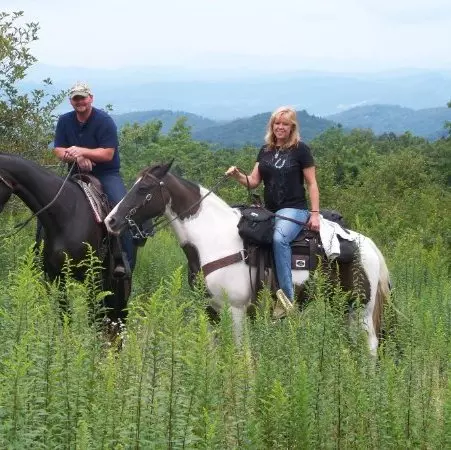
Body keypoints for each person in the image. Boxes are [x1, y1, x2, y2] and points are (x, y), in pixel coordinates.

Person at [226, 106, 320, 314]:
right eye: (277, 123)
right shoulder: (265, 150)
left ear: (292, 127)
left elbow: (312, 183)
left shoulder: (301, 150)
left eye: (285, 124)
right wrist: (237, 176)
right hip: (270, 210)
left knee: (279, 239)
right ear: (272, 126)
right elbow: (253, 182)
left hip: (294, 209)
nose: (280, 127)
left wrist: (314, 214)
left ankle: (287, 300)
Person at [53, 81, 137, 276]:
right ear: (71, 101)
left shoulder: (104, 120)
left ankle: (125, 260)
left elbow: (108, 154)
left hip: (106, 174)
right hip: (75, 173)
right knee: (50, 204)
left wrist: (82, 151)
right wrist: (78, 157)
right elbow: (58, 149)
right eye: (76, 98)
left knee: (121, 210)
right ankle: (43, 254)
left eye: (83, 97)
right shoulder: (65, 121)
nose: (79, 101)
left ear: (91, 98)